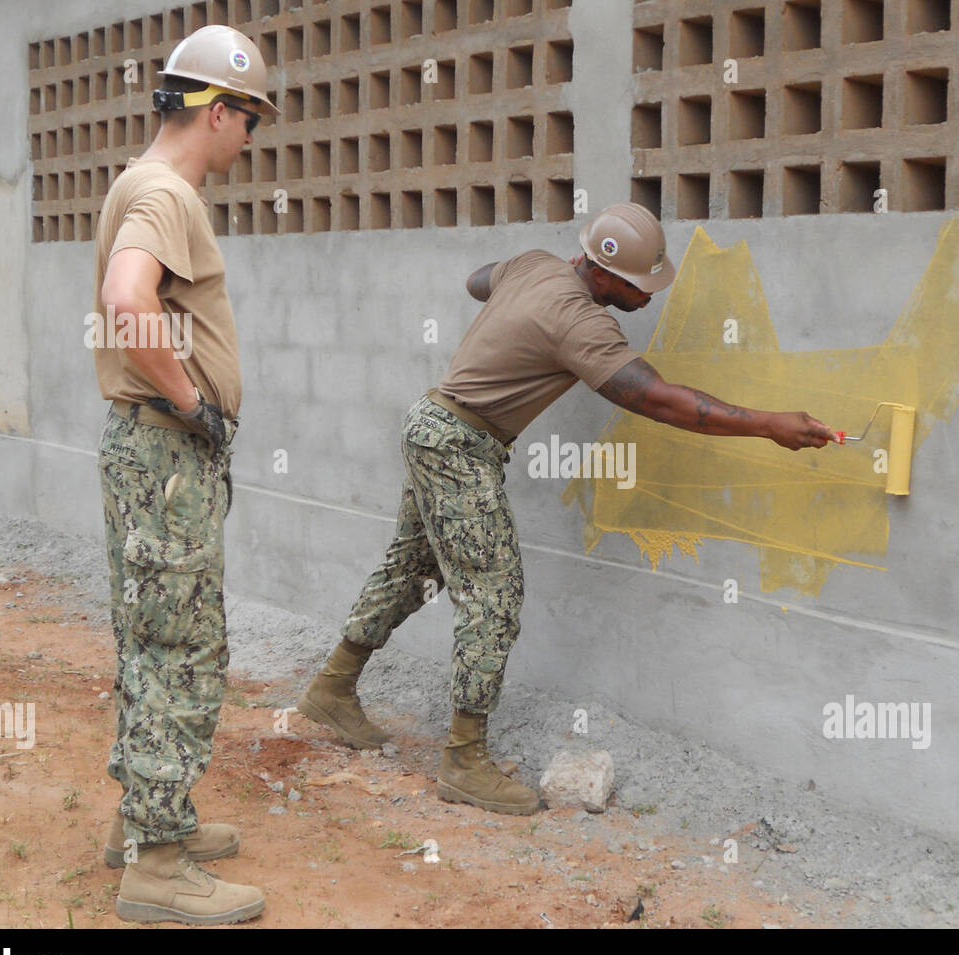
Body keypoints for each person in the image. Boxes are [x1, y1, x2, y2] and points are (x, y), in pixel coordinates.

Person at [298, 201, 836, 814]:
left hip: (433, 425)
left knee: (414, 566)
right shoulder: (581, 324)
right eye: (639, 286)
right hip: (458, 446)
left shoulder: (533, 265)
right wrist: (768, 424)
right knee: (493, 591)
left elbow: (479, 279)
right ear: (604, 273)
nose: (648, 298)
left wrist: (514, 307)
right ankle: (464, 761)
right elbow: (661, 402)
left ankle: (333, 686)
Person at [93, 24, 277, 924]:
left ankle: (143, 821)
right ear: (215, 109)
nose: (252, 136)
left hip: (144, 452)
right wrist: (193, 407)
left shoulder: (139, 182)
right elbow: (127, 302)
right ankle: (157, 867)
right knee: (182, 646)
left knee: (148, 633)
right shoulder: (168, 193)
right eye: (250, 117)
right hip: (166, 455)